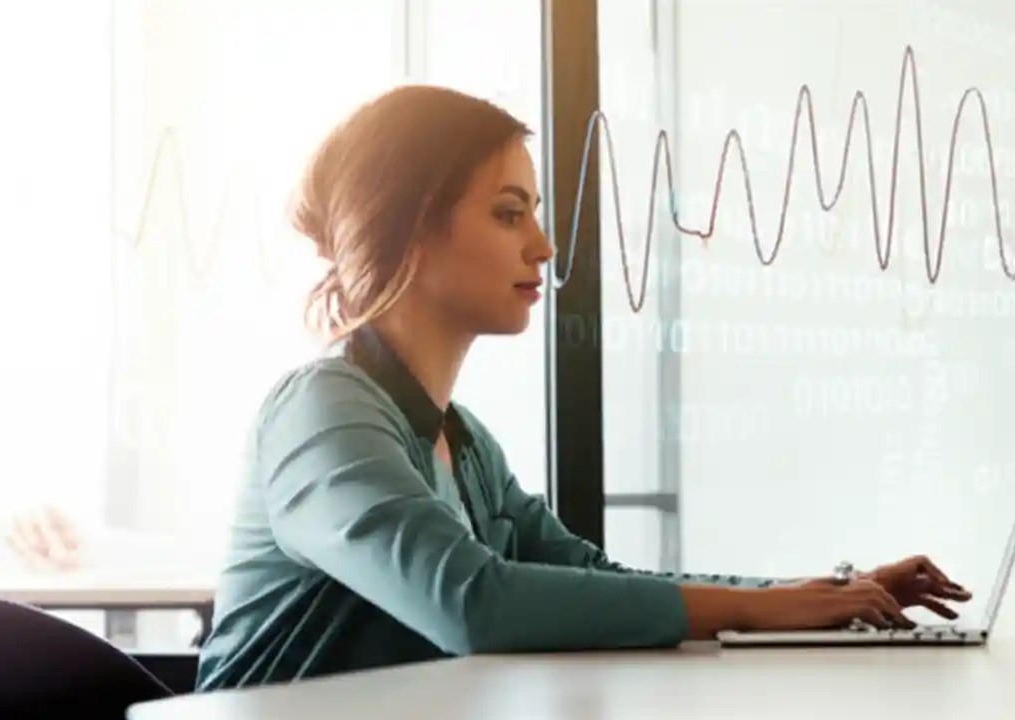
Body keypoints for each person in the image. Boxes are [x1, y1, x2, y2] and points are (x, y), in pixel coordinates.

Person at [194, 85, 972, 691]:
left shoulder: (462, 443)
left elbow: (593, 580)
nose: (542, 245)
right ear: (410, 229)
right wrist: (773, 608)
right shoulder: (320, 410)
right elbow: (473, 603)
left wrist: (823, 595)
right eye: (509, 214)